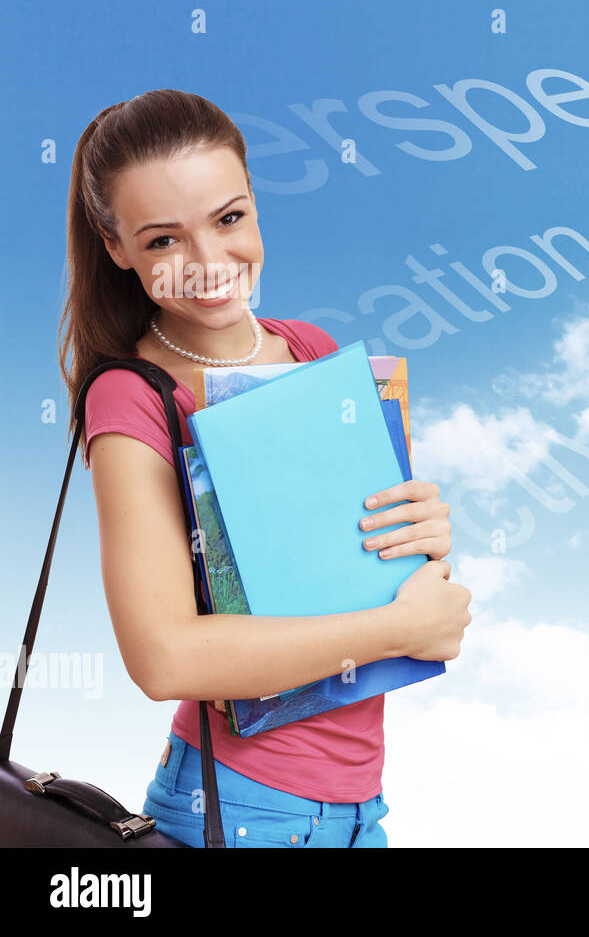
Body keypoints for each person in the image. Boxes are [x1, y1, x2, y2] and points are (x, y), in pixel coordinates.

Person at [57, 89, 472, 848]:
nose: (208, 265)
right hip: (244, 811)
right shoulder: (132, 394)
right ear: (116, 248)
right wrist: (398, 625)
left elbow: (368, 580)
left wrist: (426, 540)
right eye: (161, 242)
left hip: (360, 806)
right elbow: (162, 657)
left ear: (254, 201)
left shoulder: (311, 348)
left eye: (228, 218)